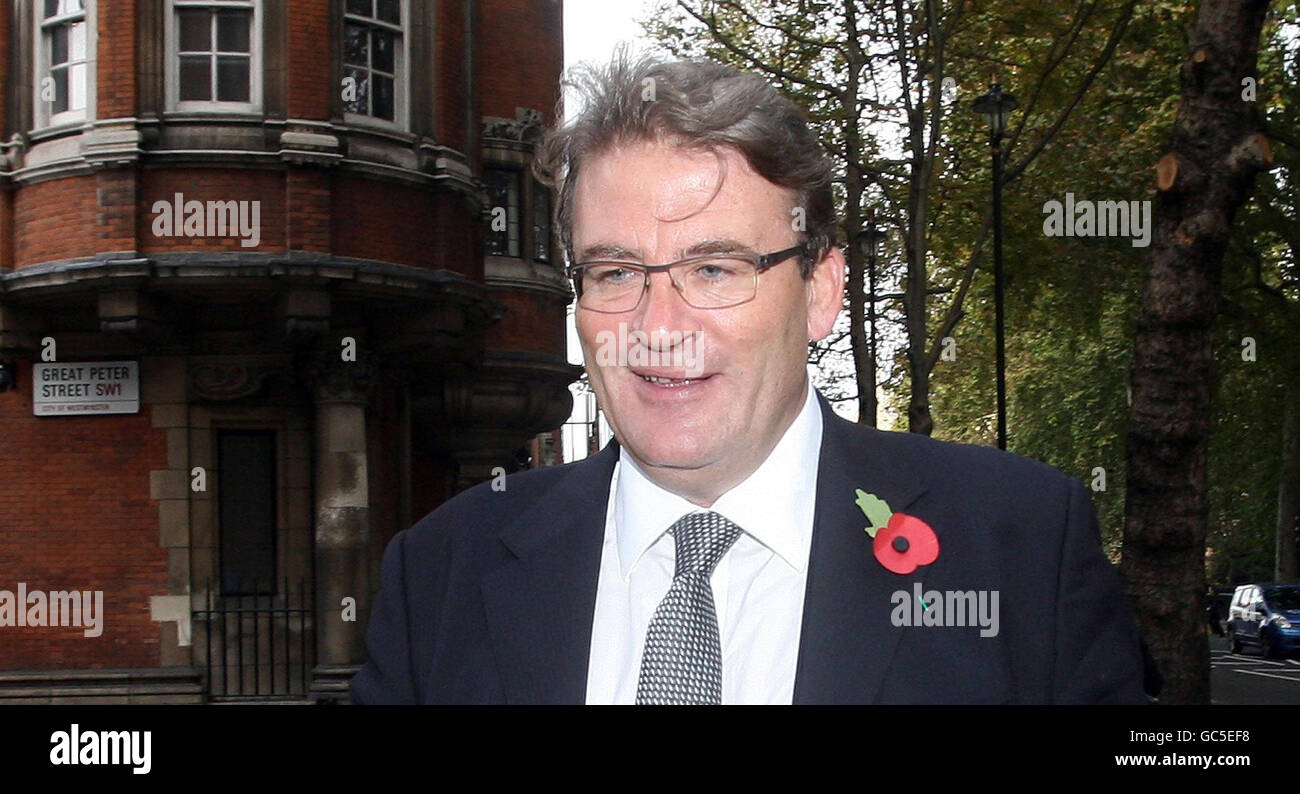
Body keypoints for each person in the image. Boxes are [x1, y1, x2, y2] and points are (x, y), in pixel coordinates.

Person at [350, 53, 1147, 705]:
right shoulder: (441, 572)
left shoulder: (1021, 549)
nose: (658, 329)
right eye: (617, 271)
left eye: (716, 266)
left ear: (822, 291)